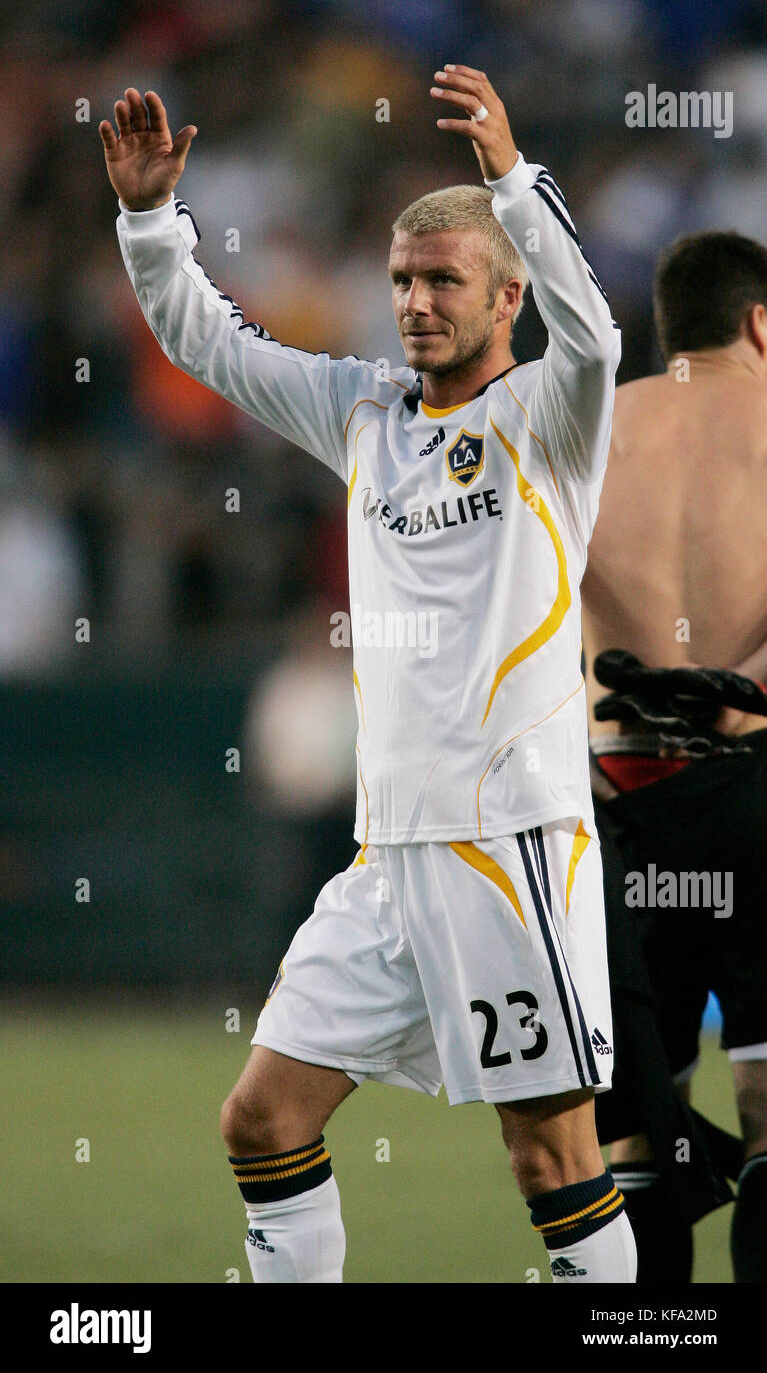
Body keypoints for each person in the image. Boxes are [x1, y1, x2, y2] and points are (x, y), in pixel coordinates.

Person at [100, 67, 634, 1285]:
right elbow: (210, 346)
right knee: (261, 1119)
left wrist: (510, 174)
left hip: (510, 847)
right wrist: (148, 224)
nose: (413, 302)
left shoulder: (549, 420)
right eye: (400, 280)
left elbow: (595, 331)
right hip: (383, 859)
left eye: (442, 278)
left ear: (506, 294)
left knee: (549, 1159)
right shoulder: (362, 414)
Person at [581, 229, 767, 1283]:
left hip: (619, 795)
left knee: (638, 1134)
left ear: (664, 327)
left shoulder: (584, 427)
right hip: (754, 788)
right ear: (756, 323)